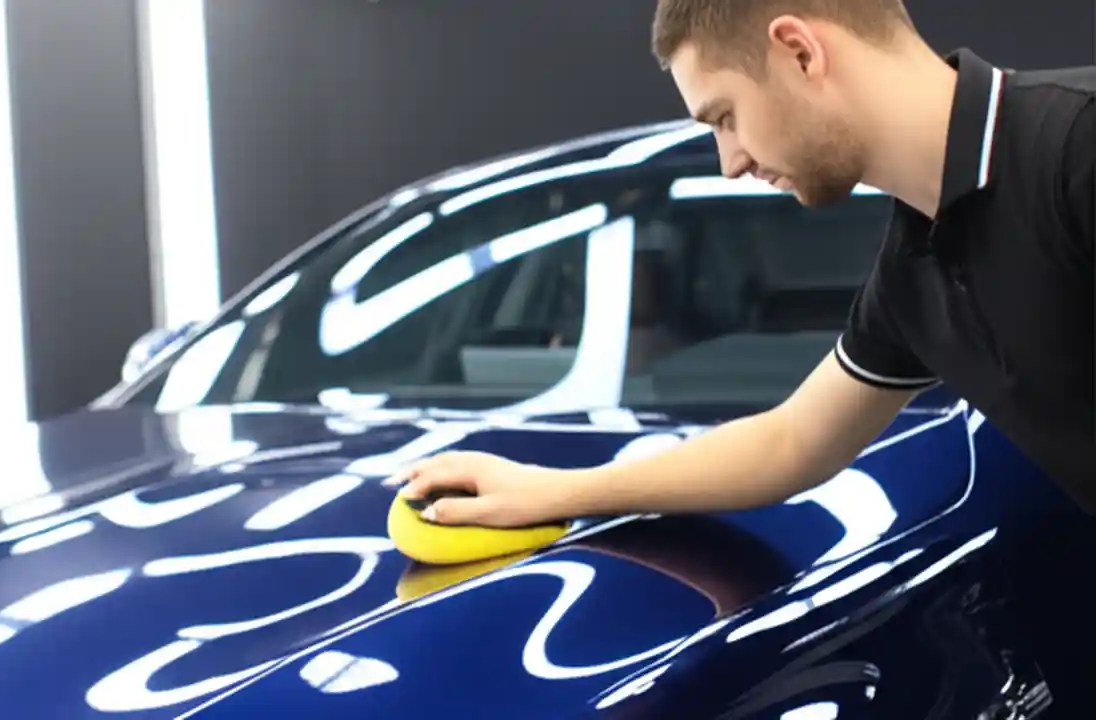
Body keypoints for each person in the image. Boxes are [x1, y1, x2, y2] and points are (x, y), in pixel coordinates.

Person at [387, 0, 1094, 712]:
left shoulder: (1079, 148)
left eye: (723, 116)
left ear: (798, 51)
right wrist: (552, 491)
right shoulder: (917, 267)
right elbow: (791, 441)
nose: (730, 163)